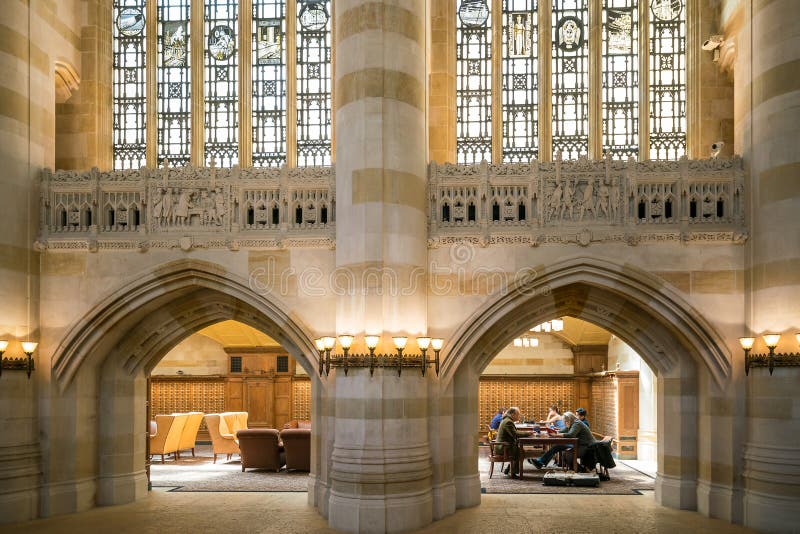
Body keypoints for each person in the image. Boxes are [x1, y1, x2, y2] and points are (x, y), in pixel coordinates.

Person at [530, 411, 595, 469]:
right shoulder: (572, 424)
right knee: (556, 447)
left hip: (586, 446)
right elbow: (562, 431)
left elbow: (571, 435)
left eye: (565, 421)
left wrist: (556, 435)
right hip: (578, 444)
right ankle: (540, 462)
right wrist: (549, 433)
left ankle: (580, 469)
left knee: (567, 454)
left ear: (569, 420)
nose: (564, 423)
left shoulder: (577, 424)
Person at [495, 407, 530, 478]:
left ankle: (509, 469)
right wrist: (528, 433)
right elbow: (515, 434)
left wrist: (526, 433)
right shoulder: (508, 422)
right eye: (518, 414)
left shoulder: (507, 420)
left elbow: (514, 432)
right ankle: (512, 472)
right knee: (520, 452)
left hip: (504, 446)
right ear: (513, 414)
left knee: (520, 451)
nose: (518, 416)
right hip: (503, 447)